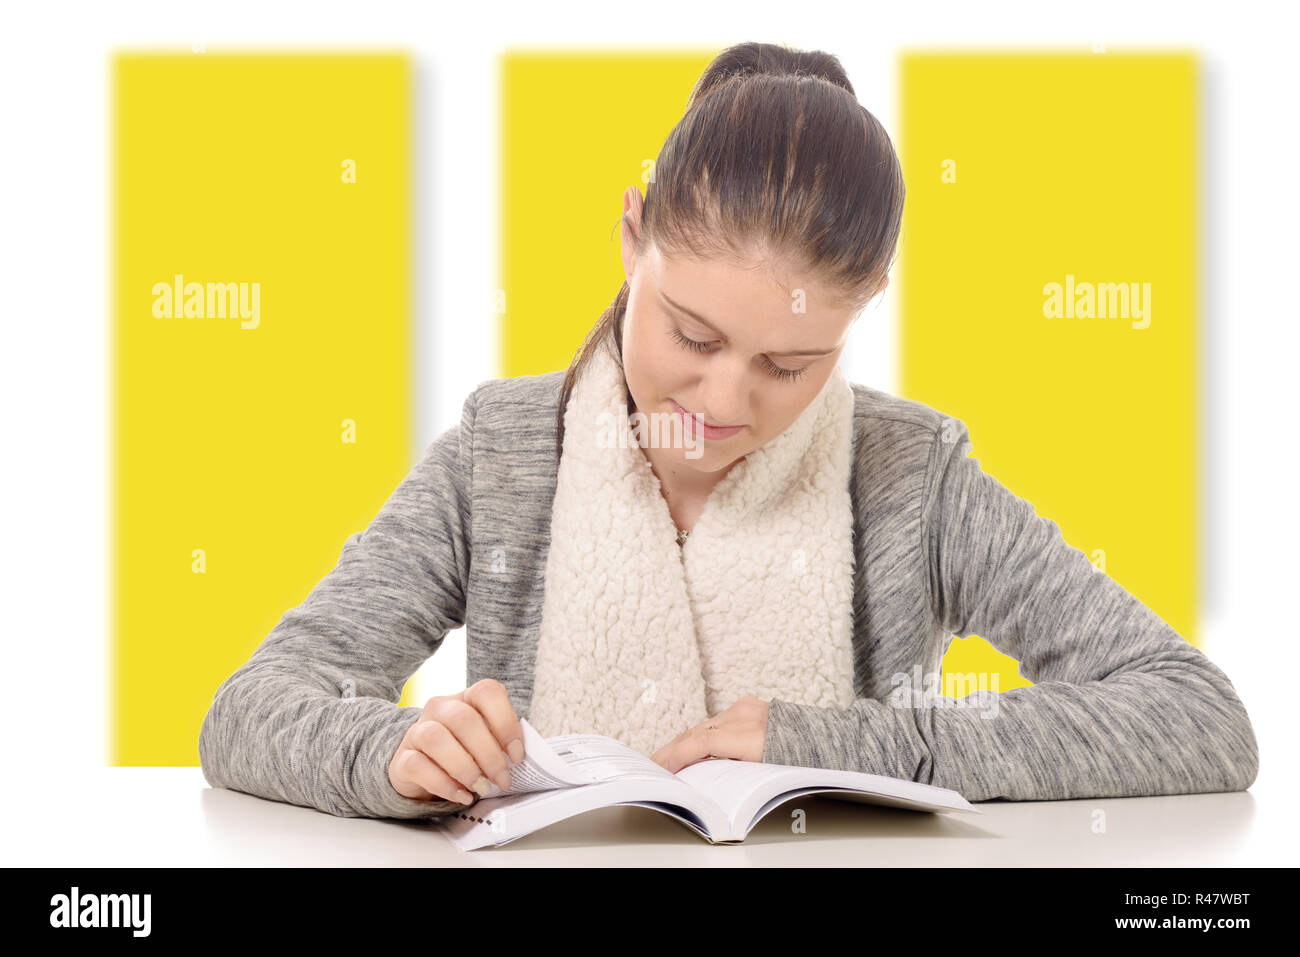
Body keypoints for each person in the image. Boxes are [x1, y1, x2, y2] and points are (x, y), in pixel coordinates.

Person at [198, 41, 1259, 820]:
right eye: (689, 333)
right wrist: (396, 752)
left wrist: (832, 750)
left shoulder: (911, 474)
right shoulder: (502, 451)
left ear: (863, 309)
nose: (721, 402)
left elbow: (1197, 717)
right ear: (631, 240)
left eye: (789, 365)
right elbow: (250, 711)